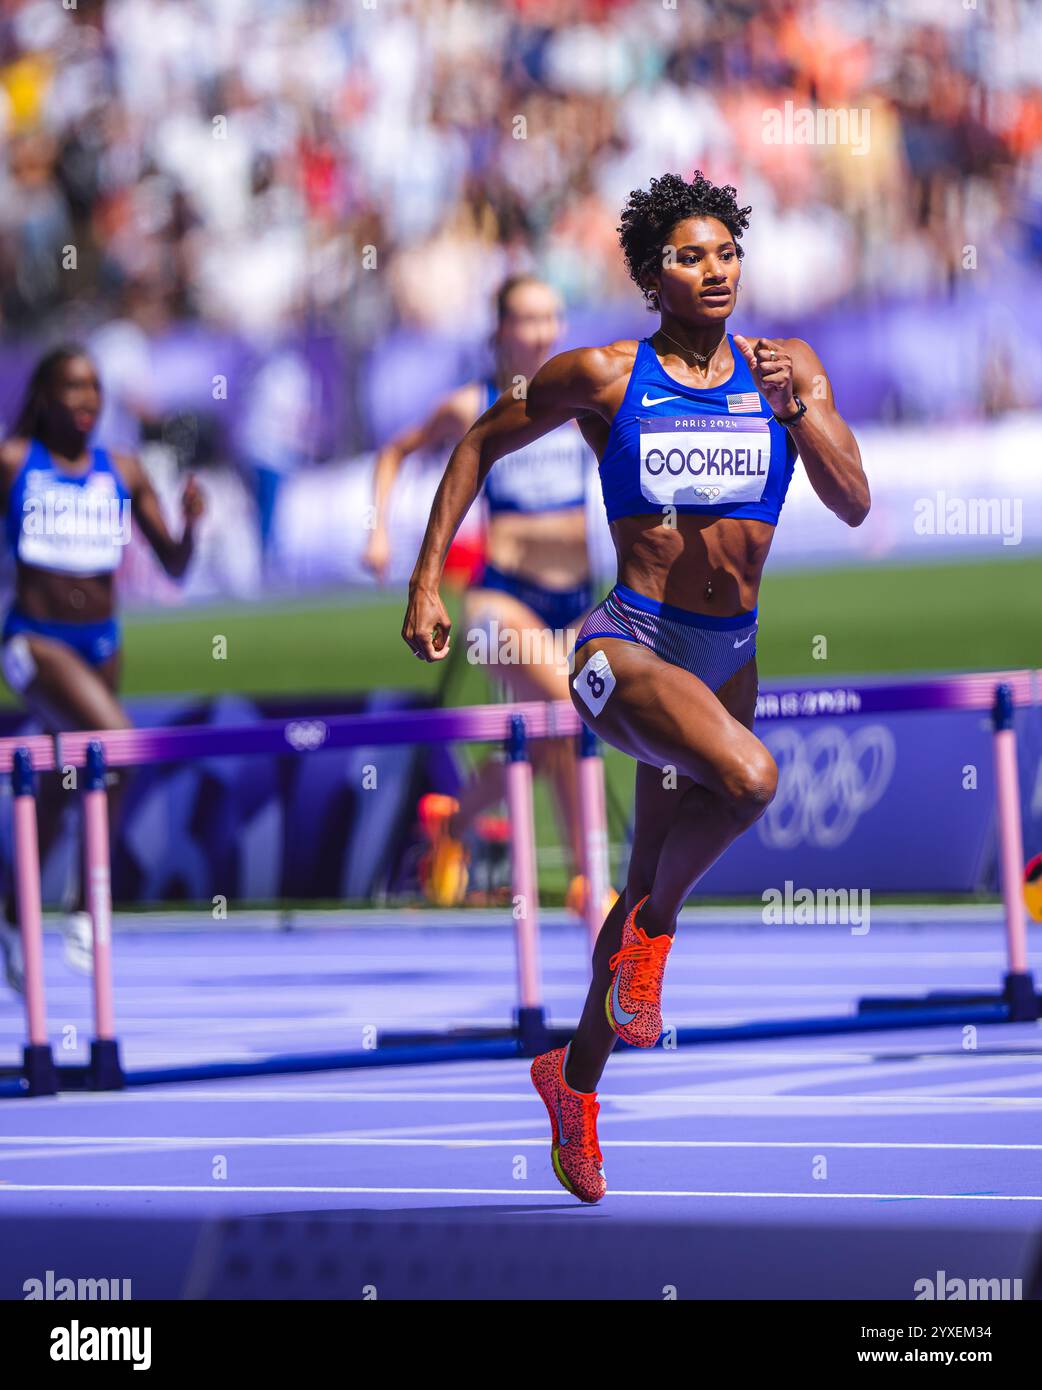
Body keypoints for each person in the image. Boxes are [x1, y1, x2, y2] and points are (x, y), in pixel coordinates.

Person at [402, 172, 870, 1202]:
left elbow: (850, 499)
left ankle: (572, 1081)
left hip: (727, 657)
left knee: (647, 871)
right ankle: (652, 939)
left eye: (726, 253)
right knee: (749, 780)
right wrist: (428, 576)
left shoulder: (783, 370)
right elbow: (480, 438)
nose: (714, 271)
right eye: (690, 257)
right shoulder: (607, 376)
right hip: (623, 646)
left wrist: (807, 413)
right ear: (649, 276)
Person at [369, 274, 606, 915]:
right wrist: (380, 534)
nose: (541, 332)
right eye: (526, 319)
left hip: (578, 597)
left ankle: (458, 819)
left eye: (551, 317)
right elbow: (396, 452)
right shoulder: (472, 401)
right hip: (501, 601)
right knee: (573, 704)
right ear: (500, 330)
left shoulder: (585, 395)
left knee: (556, 733)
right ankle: (594, 879)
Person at [0, 345, 202, 995]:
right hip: (34, 644)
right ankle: (88, 906)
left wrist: (192, 525)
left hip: (101, 645)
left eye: (94, 389)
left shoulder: (125, 470)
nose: (86, 400)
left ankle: (10, 908)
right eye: (71, 388)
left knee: (66, 787)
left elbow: (172, 566)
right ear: (44, 397)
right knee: (119, 749)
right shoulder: (12, 464)